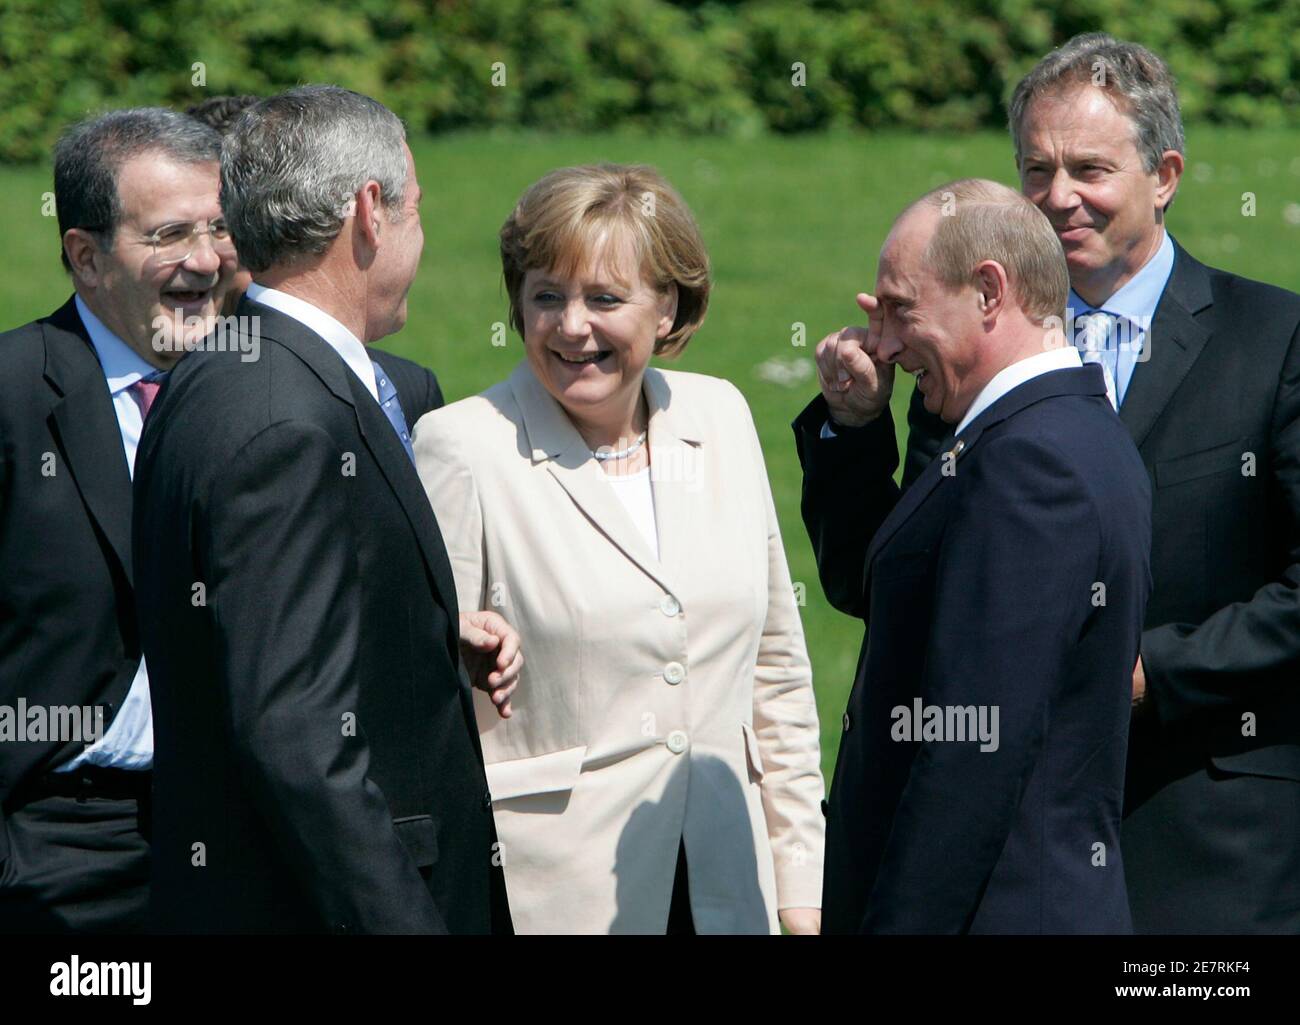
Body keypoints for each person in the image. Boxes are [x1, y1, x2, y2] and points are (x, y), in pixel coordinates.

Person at [904, 34, 1300, 933]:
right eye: (1035, 169)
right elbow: (893, 580)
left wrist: (1147, 672)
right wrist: (849, 433)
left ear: (1164, 175)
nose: (1057, 197)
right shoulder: (975, 346)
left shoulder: (1276, 340)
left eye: (1089, 167)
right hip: (1015, 856)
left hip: (1212, 848)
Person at [132, 85, 515, 934]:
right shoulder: (286, 416)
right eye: (416, 205)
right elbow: (294, 732)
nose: (423, 231)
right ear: (371, 212)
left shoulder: (222, 372)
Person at [413, 163, 825, 934]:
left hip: (729, 890)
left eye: (604, 298)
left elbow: (777, 675)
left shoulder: (723, 416)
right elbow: (420, 702)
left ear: (667, 306)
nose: (573, 326)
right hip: (550, 901)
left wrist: (799, 887)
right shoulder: (463, 448)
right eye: (546, 296)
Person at [796, 179, 1152, 933]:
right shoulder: (1059, 429)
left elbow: (972, 747)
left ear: (989, 291)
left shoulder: (1029, 463)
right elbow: (883, 583)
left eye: (900, 308)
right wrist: (858, 426)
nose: (883, 344)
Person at [0, 108, 235, 932]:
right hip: (60, 846)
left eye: (218, 228)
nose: (204, 261)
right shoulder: (13, 395)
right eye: (170, 234)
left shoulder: (263, 387)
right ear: (86, 256)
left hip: (240, 837)